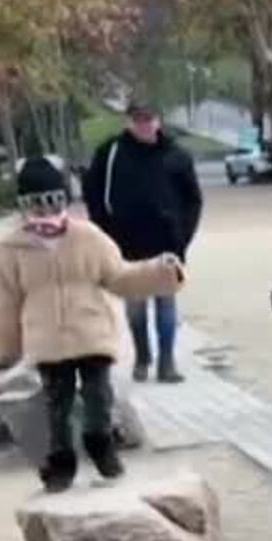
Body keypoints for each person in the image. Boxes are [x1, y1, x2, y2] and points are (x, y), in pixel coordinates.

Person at [0, 158, 186, 492]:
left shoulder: (88, 237)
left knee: (98, 396)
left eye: (52, 202)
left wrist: (160, 271)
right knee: (57, 403)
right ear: (24, 206)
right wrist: (4, 345)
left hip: (91, 331)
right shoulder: (11, 248)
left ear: (64, 200)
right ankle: (61, 461)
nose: (45, 212)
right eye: (35, 204)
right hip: (47, 338)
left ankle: (101, 445)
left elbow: (120, 276)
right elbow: (4, 301)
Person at [83, 101, 203, 384]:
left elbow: (193, 199)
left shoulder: (176, 155)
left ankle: (167, 360)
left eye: (149, 119)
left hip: (166, 243)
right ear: (129, 122)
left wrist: (182, 235)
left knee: (166, 302)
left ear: (158, 121)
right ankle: (142, 355)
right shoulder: (111, 153)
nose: (144, 125)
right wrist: (105, 231)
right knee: (135, 306)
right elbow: (93, 192)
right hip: (126, 243)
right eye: (138, 120)